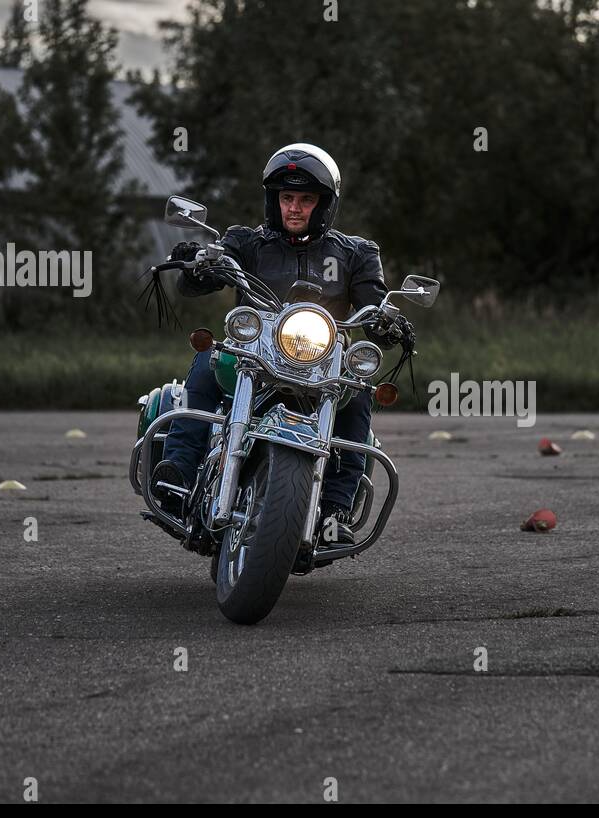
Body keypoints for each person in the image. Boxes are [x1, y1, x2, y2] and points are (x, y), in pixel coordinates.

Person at [152, 143, 409, 545]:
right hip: (253, 355)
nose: (294, 207)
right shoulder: (246, 242)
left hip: (322, 365)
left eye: (306, 199)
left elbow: (374, 304)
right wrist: (197, 263)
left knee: (358, 397)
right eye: (287, 198)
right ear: (274, 200)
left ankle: (337, 509)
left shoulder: (356, 253)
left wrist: (388, 321)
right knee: (205, 363)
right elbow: (192, 284)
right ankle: (178, 474)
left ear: (324, 204)